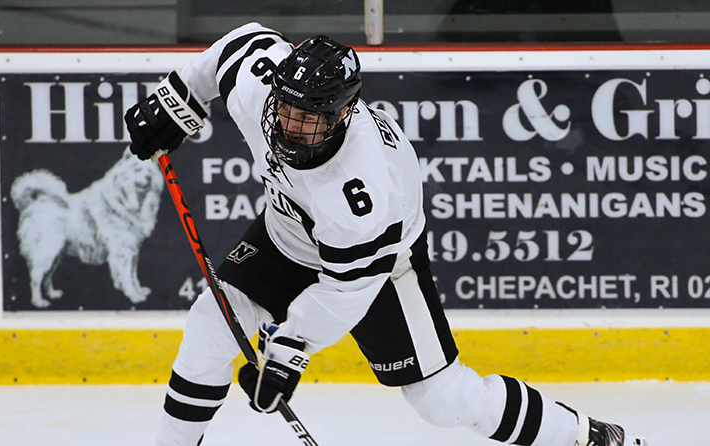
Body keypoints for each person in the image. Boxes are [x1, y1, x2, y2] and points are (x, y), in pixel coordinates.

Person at [124, 22, 647, 446]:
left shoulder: (360, 191)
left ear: (342, 115)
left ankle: (583, 436)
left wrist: (289, 346)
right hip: (288, 235)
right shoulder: (264, 86)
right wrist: (177, 99)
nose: (288, 127)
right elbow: (236, 46)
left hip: (381, 268)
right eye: (284, 109)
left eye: (308, 119)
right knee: (209, 329)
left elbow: (348, 288)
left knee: (444, 401)